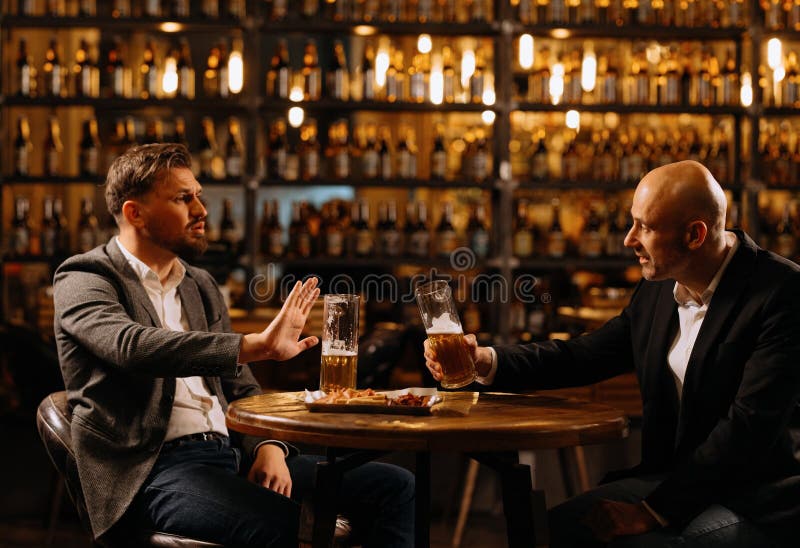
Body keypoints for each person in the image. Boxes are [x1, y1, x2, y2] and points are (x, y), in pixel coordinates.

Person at [53, 143, 414, 547]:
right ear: (135, 213)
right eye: (183, 198)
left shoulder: (200, 285)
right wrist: (255, 344)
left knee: (394, 486)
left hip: (230, 454)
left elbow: (241, 388)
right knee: (285, 523)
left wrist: (270, 448)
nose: (201, 210)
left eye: (198, 196)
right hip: (152, 470)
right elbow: (132, 347)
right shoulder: (84, 277)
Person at [424, 160, 799, 547]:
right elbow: (586, 355)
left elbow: (748, 428)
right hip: (667, 482)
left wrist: (652, 511)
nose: (628, 239)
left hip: (749, 498)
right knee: (546, 529)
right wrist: (488, 360)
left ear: (694, 234)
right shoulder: (660, 286)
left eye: (645, 227)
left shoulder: (781, 292)